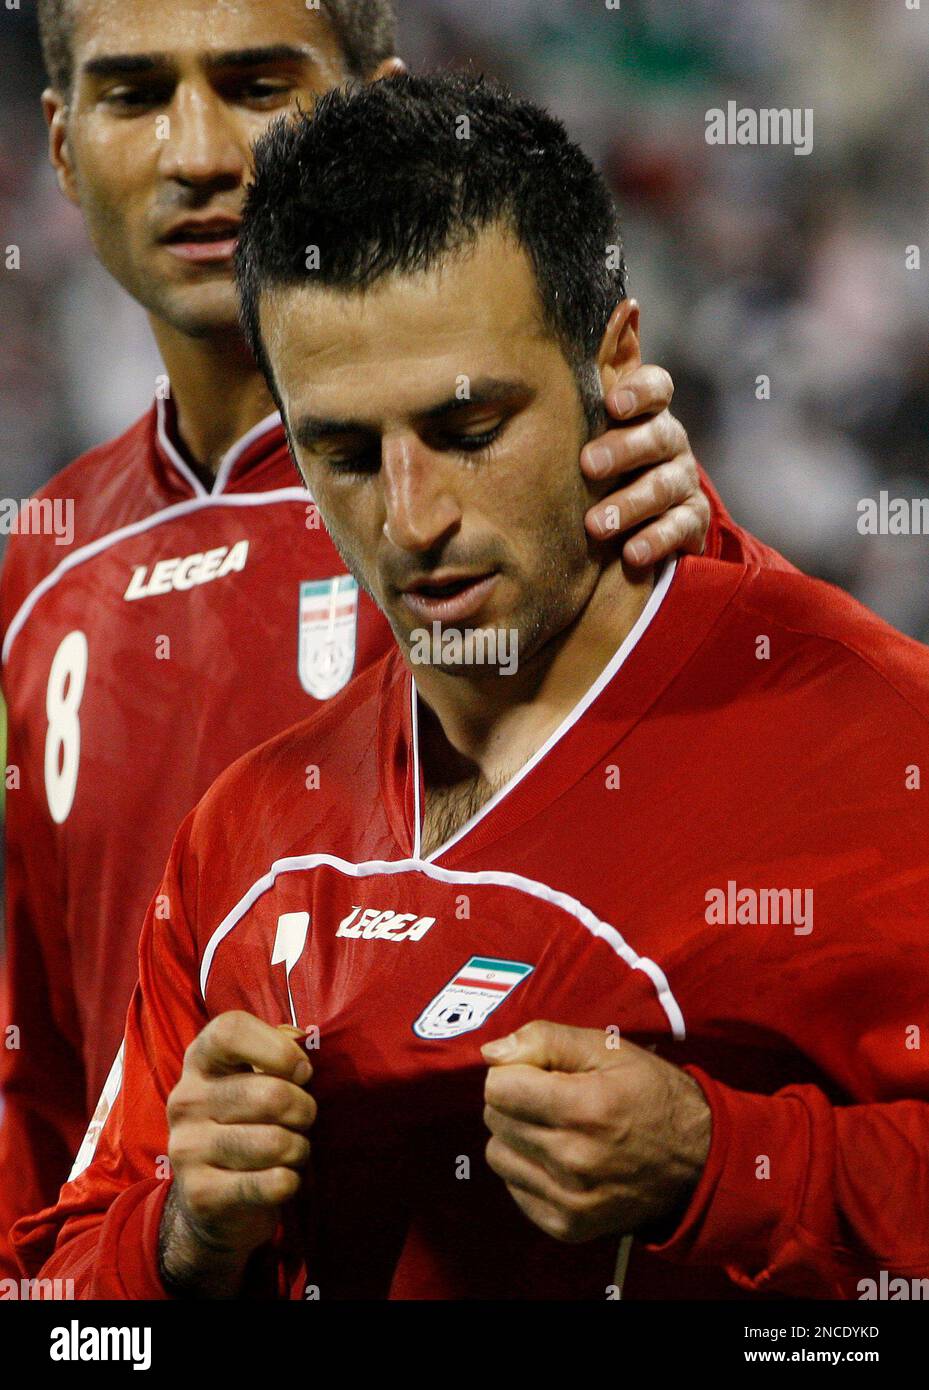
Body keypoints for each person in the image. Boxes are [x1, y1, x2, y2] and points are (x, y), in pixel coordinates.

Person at [0, 2, 718, 1277]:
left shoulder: (559, 512)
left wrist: (708, 551)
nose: (198, 152)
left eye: (256, 82)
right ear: (60, 148)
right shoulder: (35, 575)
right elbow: (33, 1087)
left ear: (374, 117)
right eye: (133, 95)